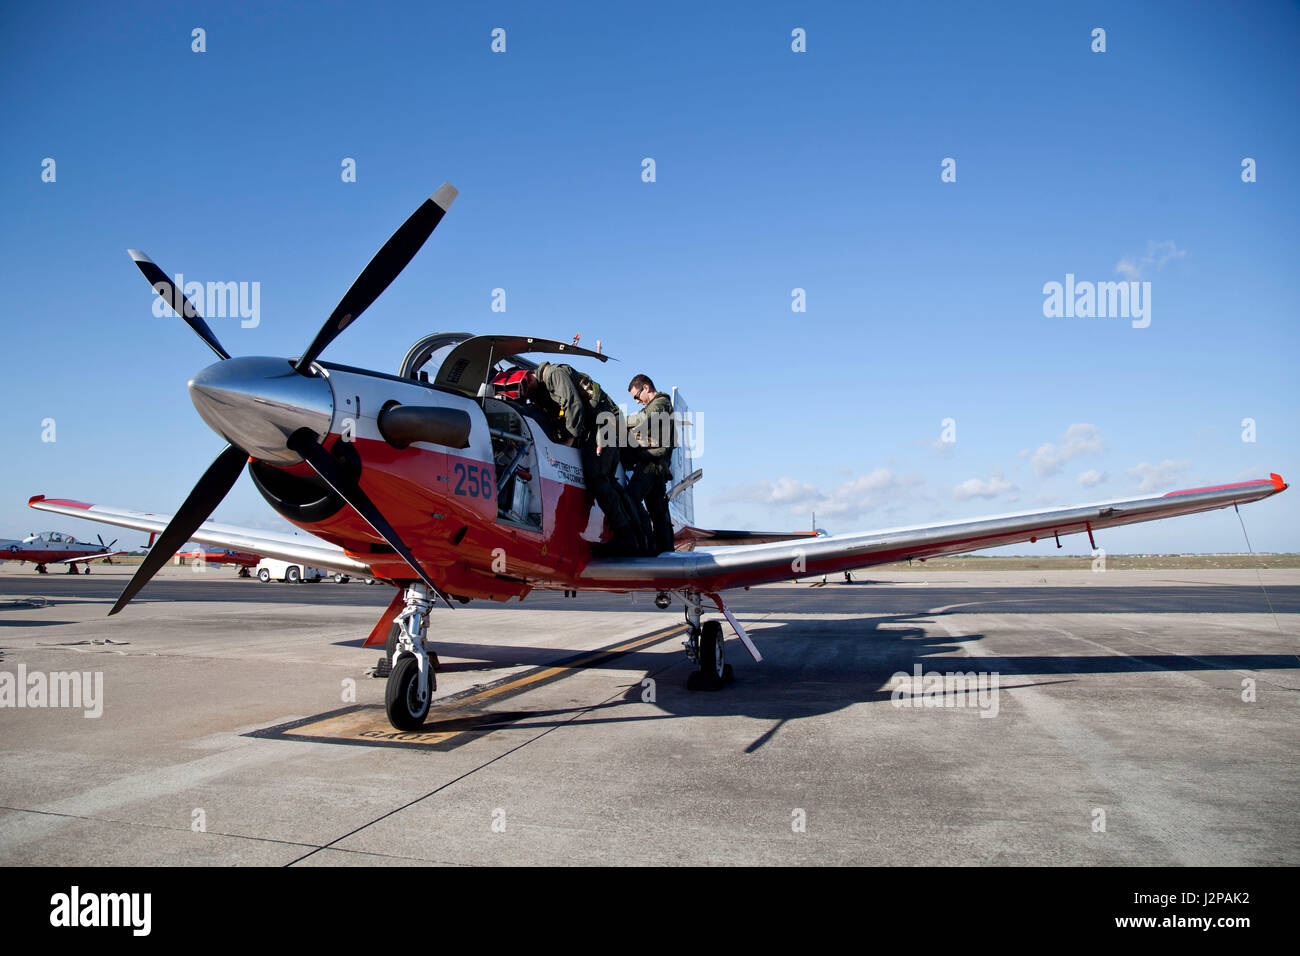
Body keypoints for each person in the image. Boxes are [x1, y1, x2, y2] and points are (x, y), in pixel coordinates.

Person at [514, 363, 646, 557]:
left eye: (525, 391)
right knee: (609, 483)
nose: (527, 397)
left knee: (598, 478)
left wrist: (570, 439)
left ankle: (626, 538)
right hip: (598, 426)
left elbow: (573, 406)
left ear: (529, 379)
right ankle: (637, 537)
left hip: (604, 424)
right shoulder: (540, 390)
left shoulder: (554, 375)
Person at [625, 373, 676, 554]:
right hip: (656, 466)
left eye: (637, 396)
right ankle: (665, 553)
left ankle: (646, 545)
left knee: (630, 499)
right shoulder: (656, 406)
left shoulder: (660, 404)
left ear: (646, 388)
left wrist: (619, 421)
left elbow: (642, 420)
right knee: (658, 513)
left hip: (652, 465)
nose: (637, 401)